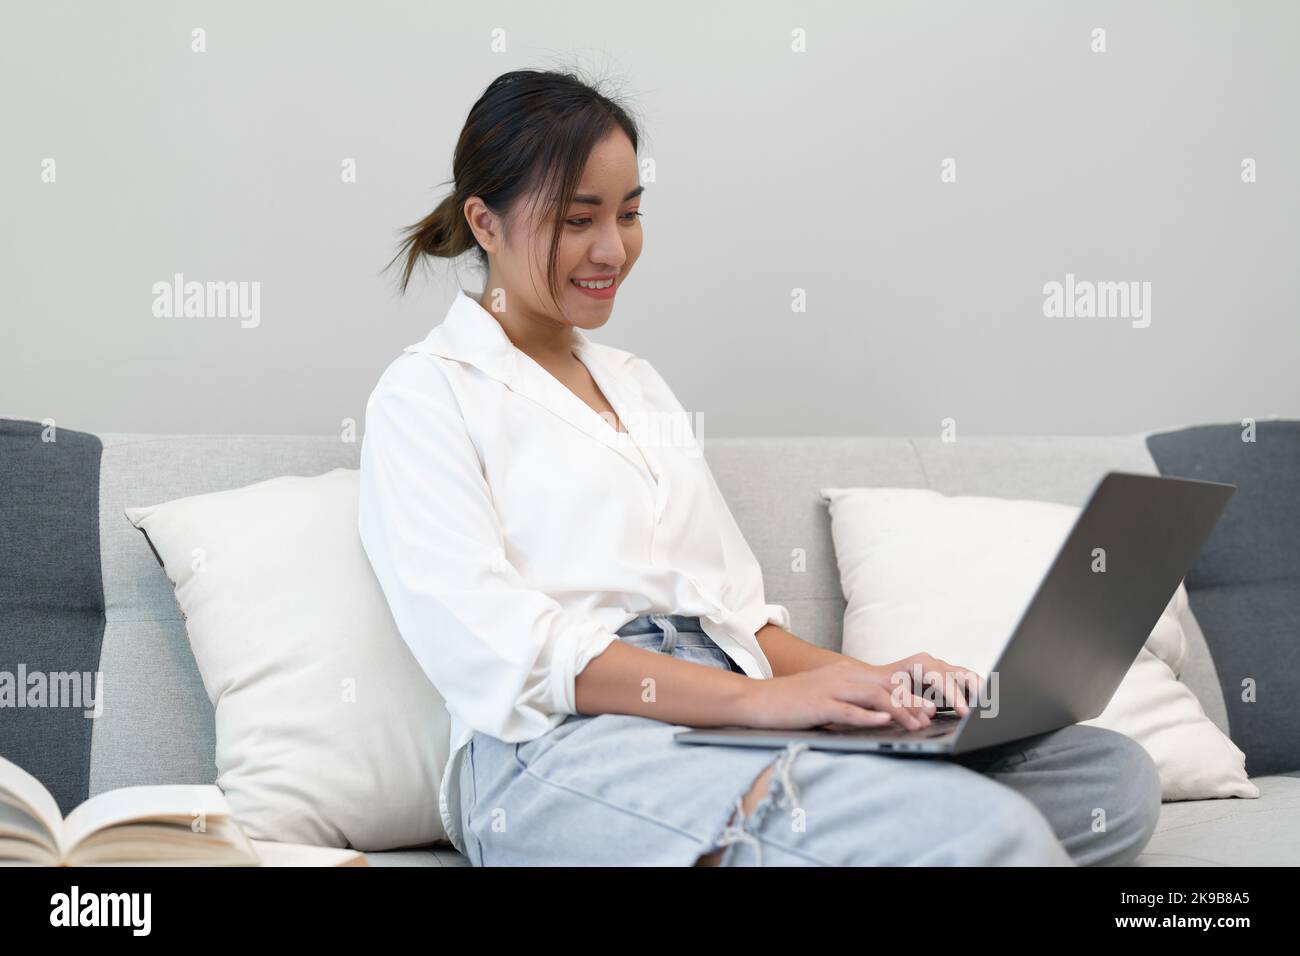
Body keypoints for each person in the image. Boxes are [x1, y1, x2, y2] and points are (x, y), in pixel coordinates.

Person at [356, 68, 1162, 866]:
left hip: (724, 713)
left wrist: (874, 682)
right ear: (484, 223)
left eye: (630, 213)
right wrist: (759, 700)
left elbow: (736, 617)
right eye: (577, 220)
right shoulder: (426, 395)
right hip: (559, 745)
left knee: (1108, 777)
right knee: (993, 832)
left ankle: (862, 821)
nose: (613, 248)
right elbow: (504, 651)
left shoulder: (638, 386)